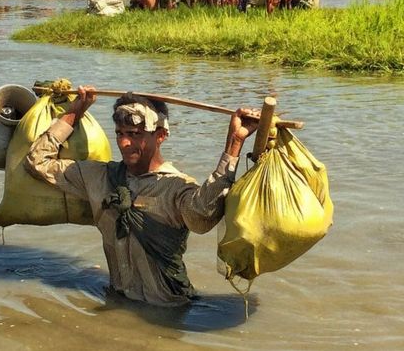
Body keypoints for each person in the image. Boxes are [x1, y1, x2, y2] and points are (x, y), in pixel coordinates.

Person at [24, 86, 259, 306]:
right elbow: (38, 162)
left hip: (169, 308)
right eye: (120, 133)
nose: (125, 143)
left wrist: (234, 143)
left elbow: (201, 219)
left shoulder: (175, 187)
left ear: (161, 135)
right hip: (118, 299)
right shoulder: (99, 177)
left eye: (135, 134)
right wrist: (74, 113)